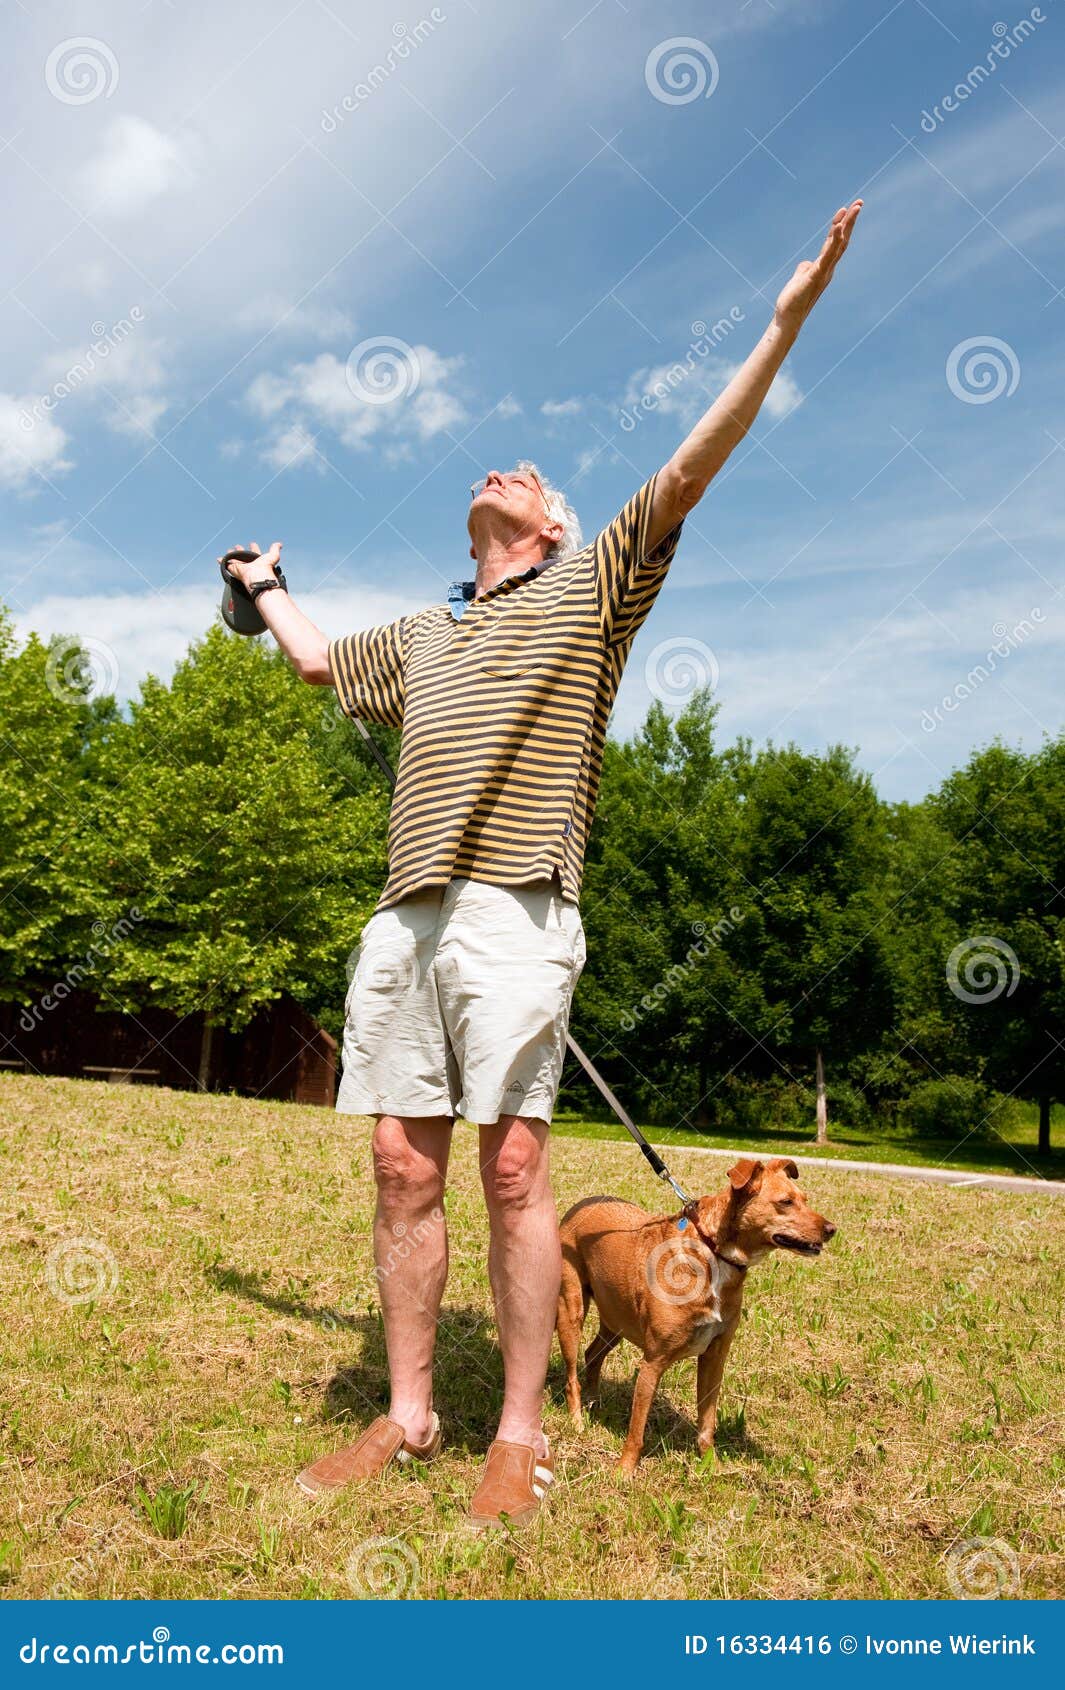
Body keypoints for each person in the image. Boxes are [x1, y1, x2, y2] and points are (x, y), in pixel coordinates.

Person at [222, 200, 862, 1526]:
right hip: (404, 914)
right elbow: (311, 661)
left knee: (513, 1167)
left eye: (532, 475)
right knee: (404, 1166)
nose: (508, 466)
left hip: (518, 906)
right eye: (499, 471)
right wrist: (264, 577)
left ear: (560, 531)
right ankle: (407, 1415)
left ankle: (518, 1430)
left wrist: (784, 319)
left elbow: (689, 466)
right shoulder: (420, 635)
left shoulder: (590, 590)